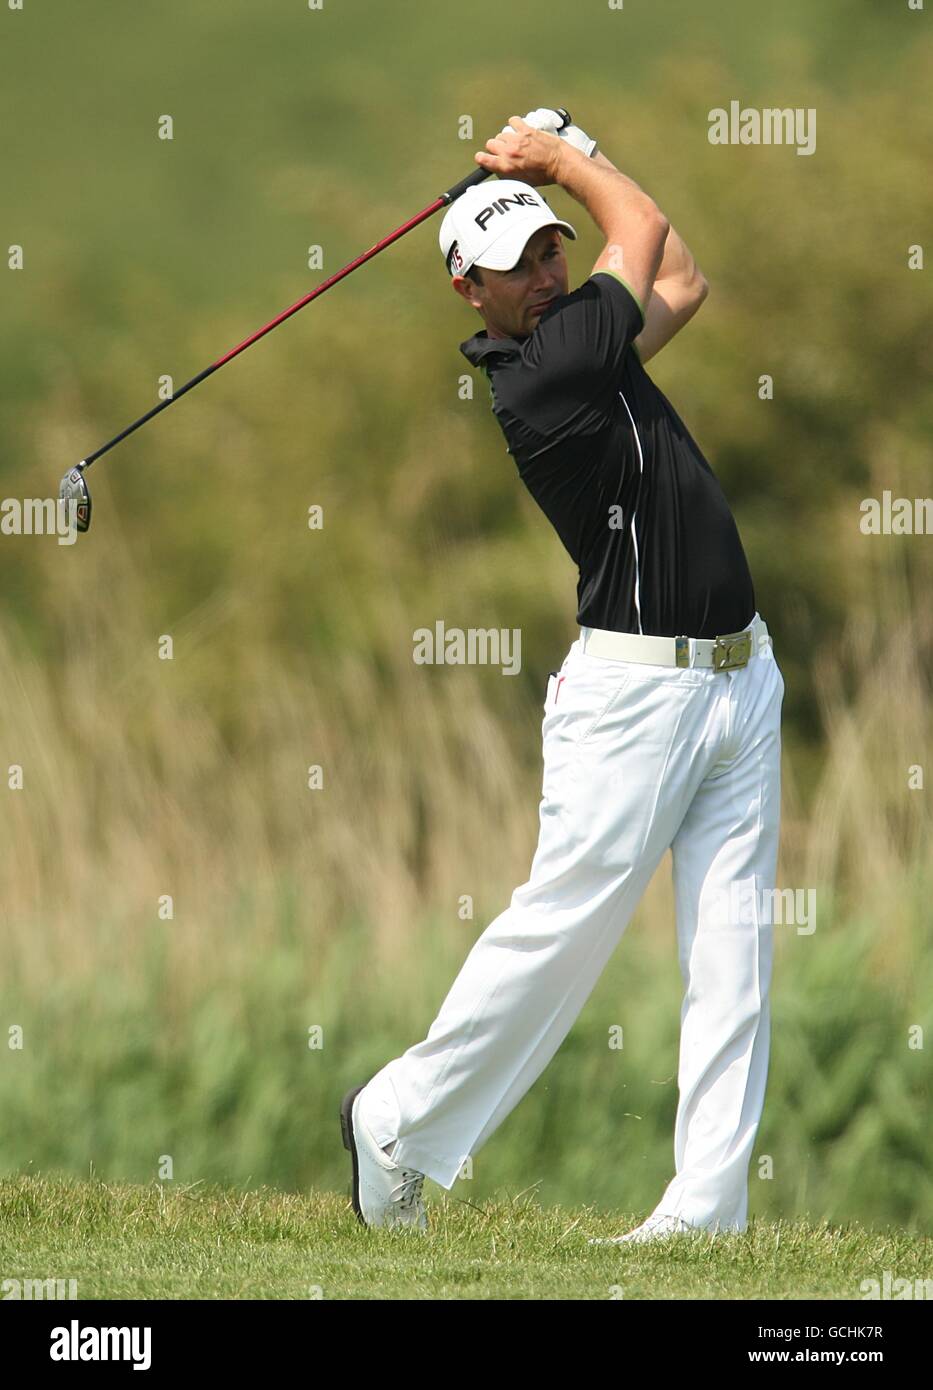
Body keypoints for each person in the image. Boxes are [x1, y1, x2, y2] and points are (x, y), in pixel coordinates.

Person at [341, 109, 784, 1245]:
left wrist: (570, 149)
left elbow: (678, 268)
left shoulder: (591, 331)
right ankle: (395, 1119)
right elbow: (637, 224)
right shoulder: (544, 374)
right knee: (560, 933)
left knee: (734, 949)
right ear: (468, 292)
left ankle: (707, 1212)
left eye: (549, 249)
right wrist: (565, 158)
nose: (544, 275)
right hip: (637, 700)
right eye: (514, 267)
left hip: (741, 676)